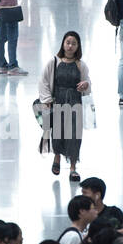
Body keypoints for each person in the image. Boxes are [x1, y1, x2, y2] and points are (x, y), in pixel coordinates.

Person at [38, 31, 91, 182]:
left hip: (75, 103)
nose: (70, 46)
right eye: (68, 42)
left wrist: (85, 85)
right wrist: (47, 99)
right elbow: (43, 81)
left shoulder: (81, 65)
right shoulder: (54, 62)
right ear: (63, 43)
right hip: (58, 101)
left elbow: (87, 82)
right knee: (58, 132)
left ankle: (73, 168)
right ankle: (57, 157)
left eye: (74, 43)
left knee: (74, 135)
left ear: (78, 46)